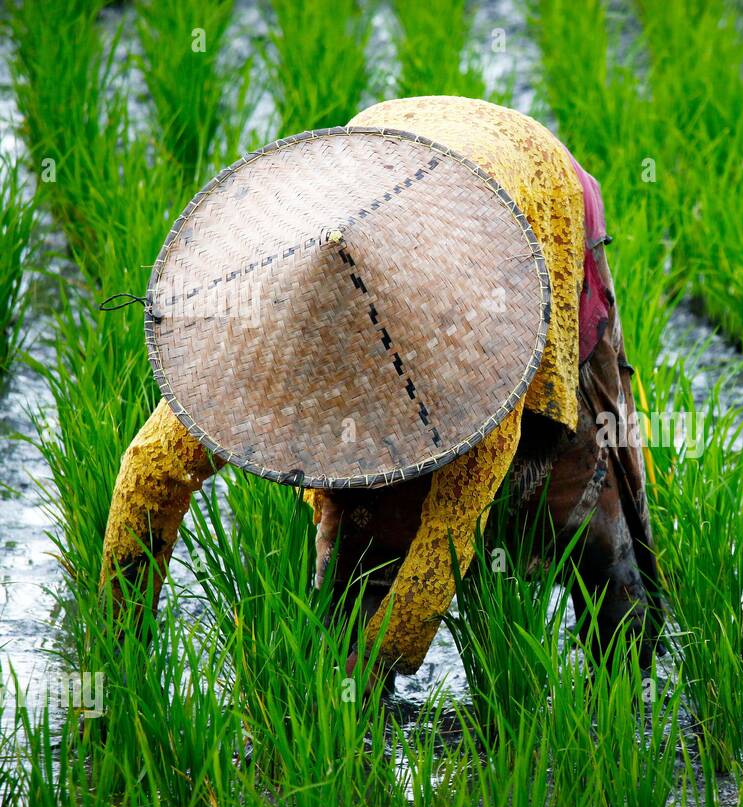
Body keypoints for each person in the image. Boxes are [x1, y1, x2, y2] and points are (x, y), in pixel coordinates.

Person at [98, 96, 663, 694]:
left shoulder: (476, 346)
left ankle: (628, 677)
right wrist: (119, 649)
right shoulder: (255, 343)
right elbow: (148, 475)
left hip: (530, 190)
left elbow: (450, 530)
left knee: (577, 495)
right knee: (356, 540)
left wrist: (378, 659)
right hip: (385, 164)